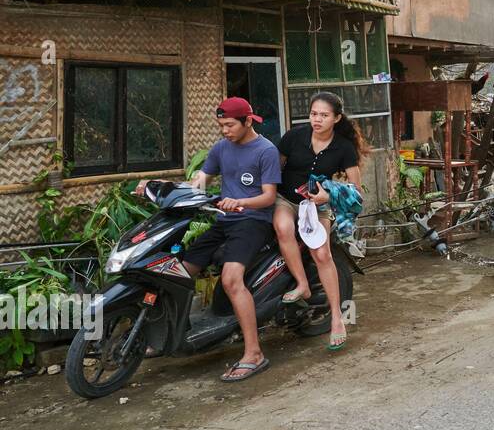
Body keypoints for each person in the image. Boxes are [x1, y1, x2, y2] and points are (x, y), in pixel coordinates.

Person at [137, 97, 280, 382]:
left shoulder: (266, 151)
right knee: (174, 271)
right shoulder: (221, 147)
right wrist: (161, 189)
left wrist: (239, 201)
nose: (225, 130)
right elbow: (201, 179)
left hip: (252, 222)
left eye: (229, 125)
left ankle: (254, 353)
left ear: (247, 121)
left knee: (230, 279)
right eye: (221, 125)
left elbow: (269, 197)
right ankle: (166, 334)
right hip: (223, 221)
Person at [273, 91, 366, 352]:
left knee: (322, 253)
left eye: (324, 115)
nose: (317, 119)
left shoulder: (344, 147)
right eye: (314, 114)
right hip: (286, 200)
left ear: (336, 118)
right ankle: (302, 284)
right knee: (283, 227)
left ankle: (337, 318)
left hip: (317, 206)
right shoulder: (293, 137)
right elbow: (275, 170)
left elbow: (356, 189)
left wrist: (329, 193)